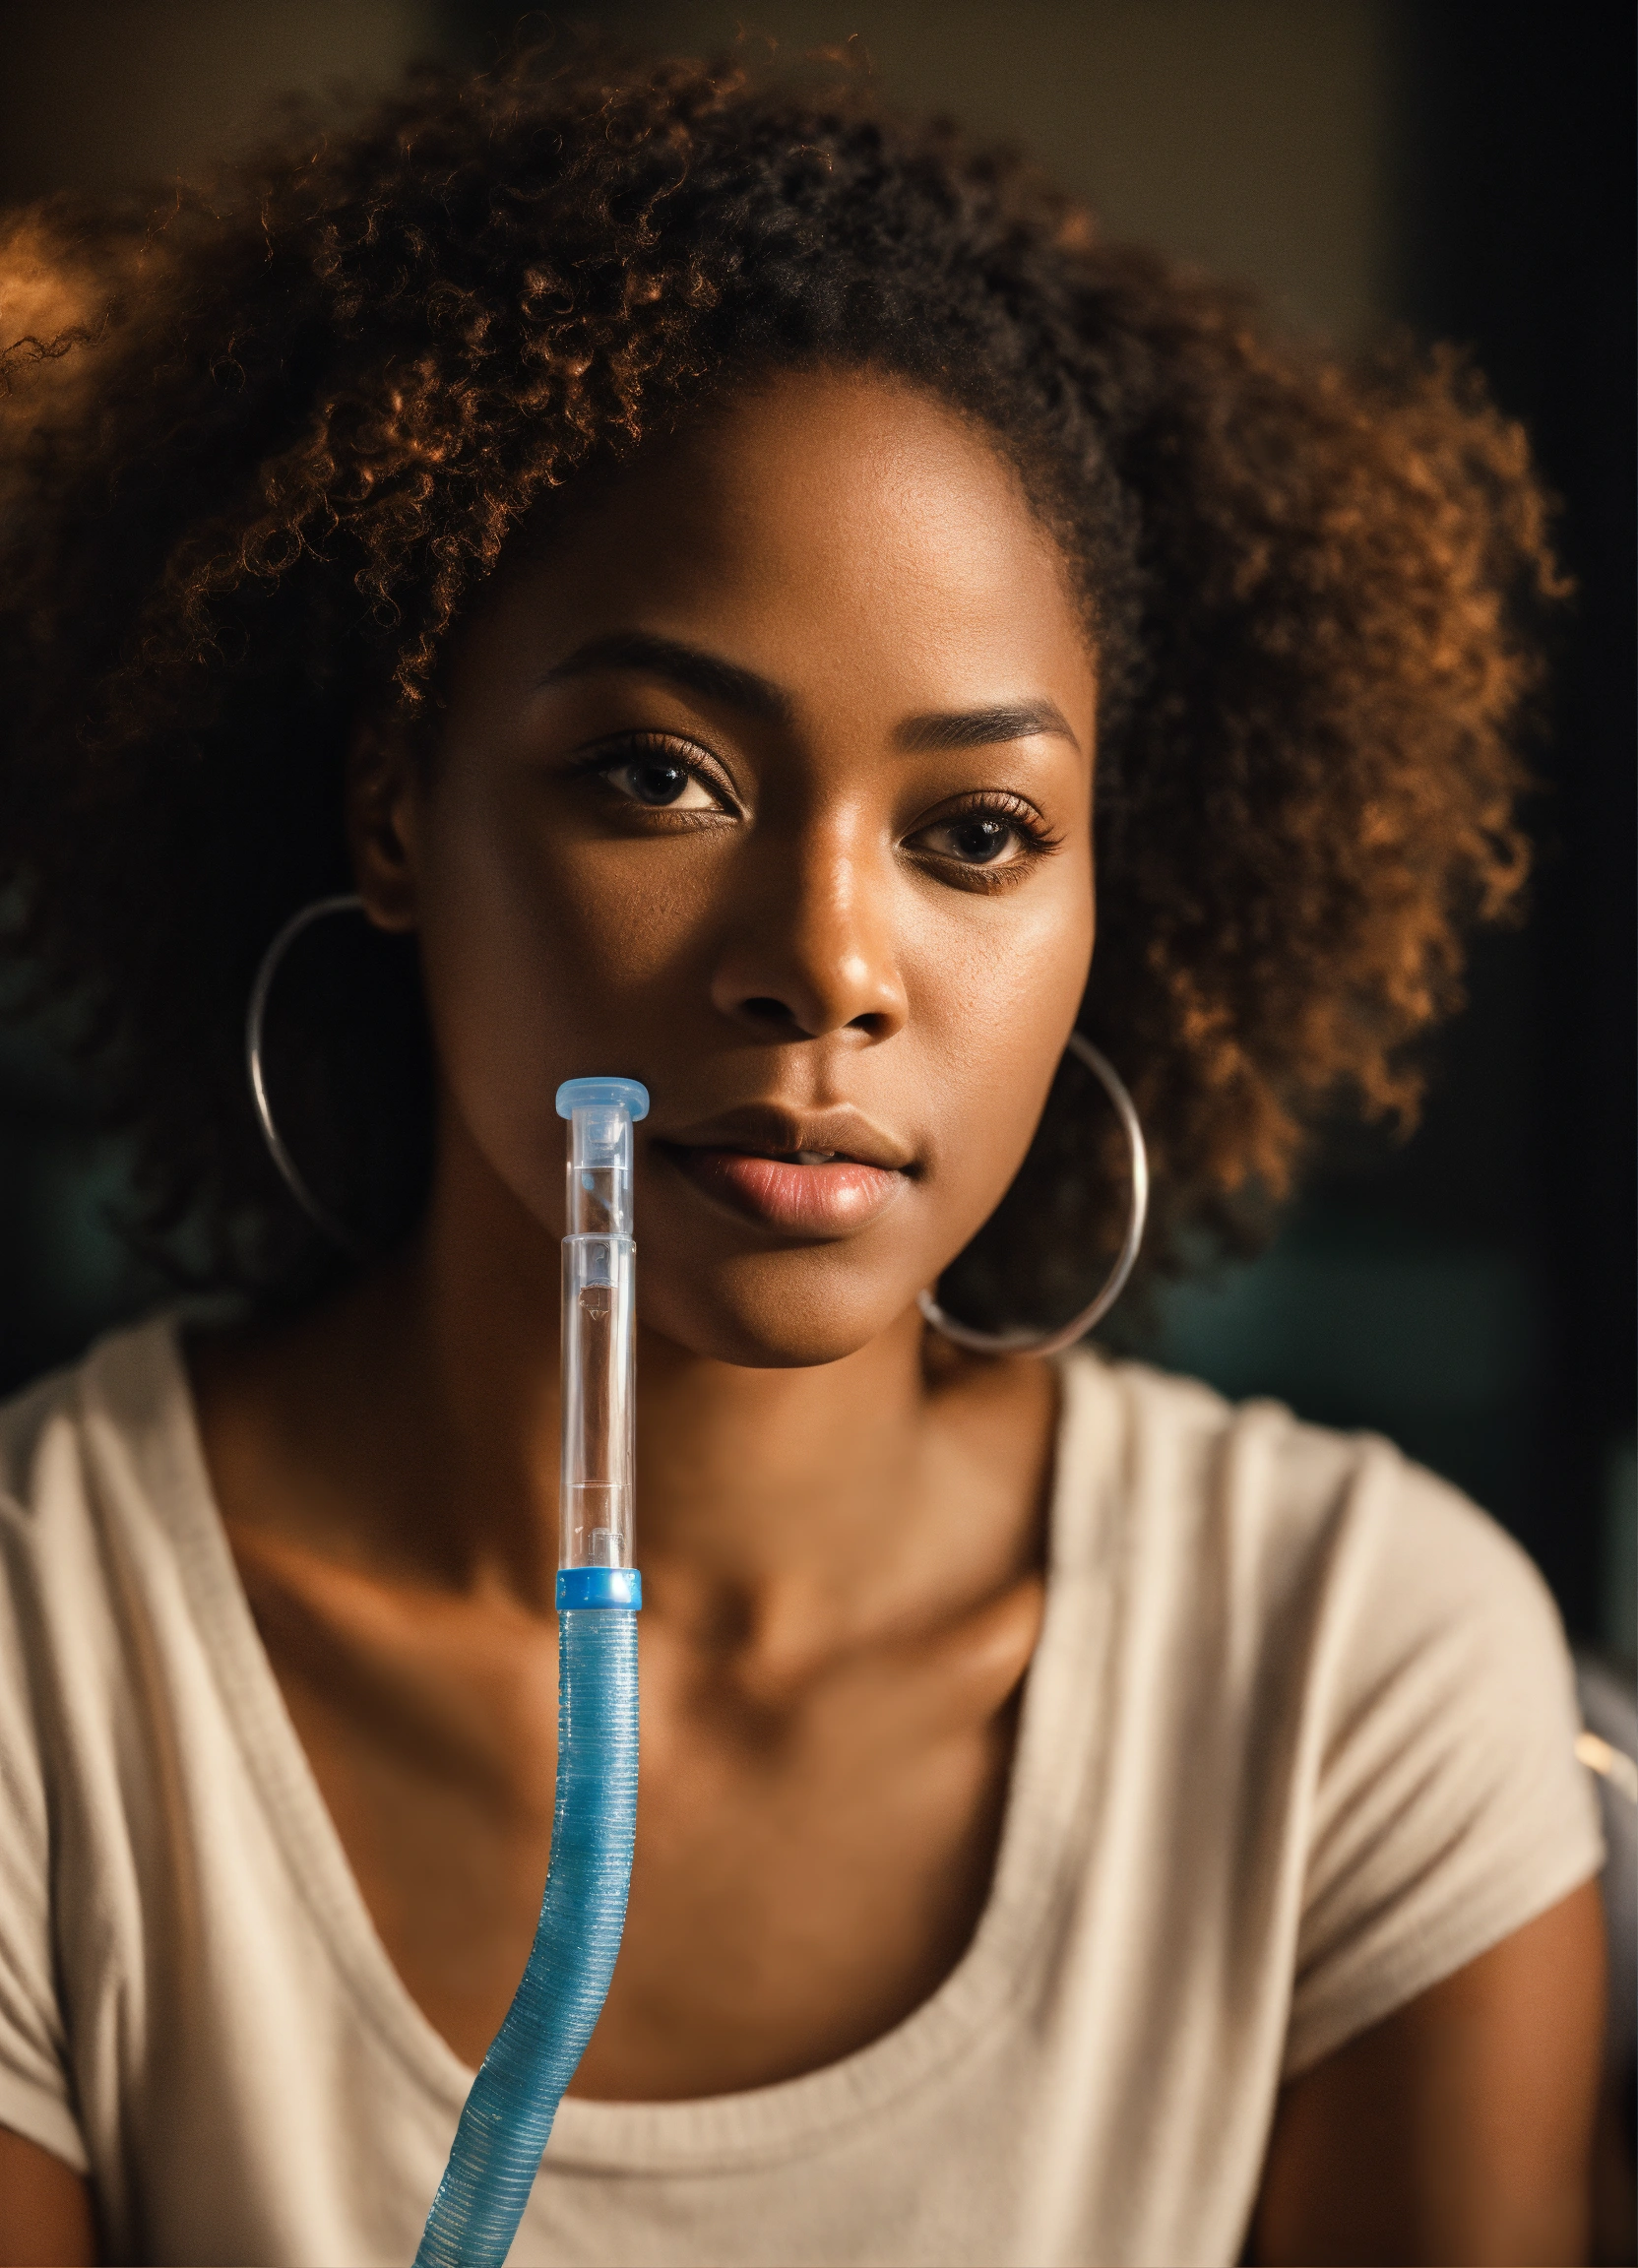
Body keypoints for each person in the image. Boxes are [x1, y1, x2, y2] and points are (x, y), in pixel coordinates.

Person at [0, 44, 1606, 2268]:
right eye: (659, 775)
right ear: (393, 805)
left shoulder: (1355, 1677)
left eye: (978, 832)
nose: (829, 965)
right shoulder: (45, 1664)